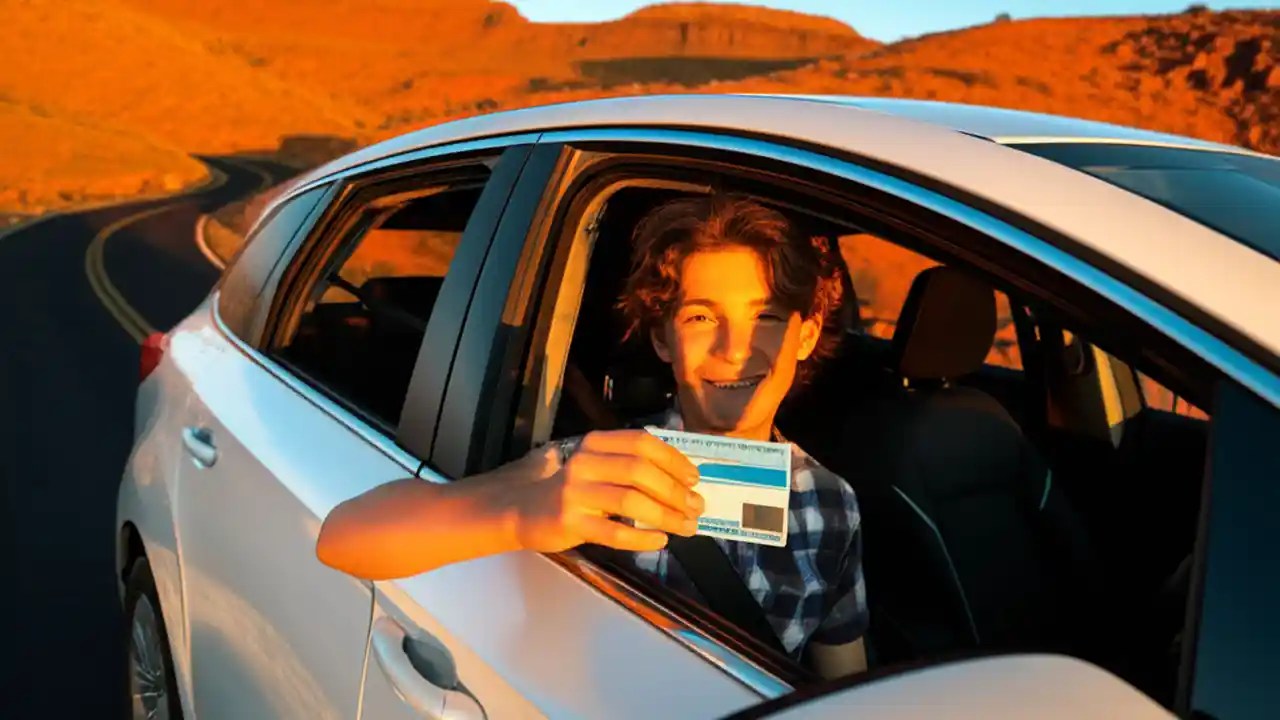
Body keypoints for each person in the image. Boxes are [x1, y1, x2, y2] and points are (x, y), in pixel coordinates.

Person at [317, 194, 868, 677]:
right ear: (662, 341)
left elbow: (843, 682)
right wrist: (516, 511)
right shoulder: (589, 468)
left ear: (806, 336)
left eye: (766, 317)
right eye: (701, 318)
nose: (733, 349)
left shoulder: (832, 501)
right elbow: (344, 538)